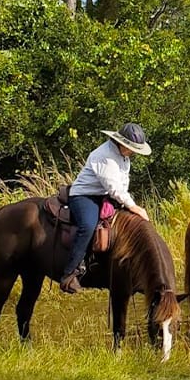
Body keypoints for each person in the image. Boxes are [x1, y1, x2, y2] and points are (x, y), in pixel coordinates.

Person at [61, 123, 152, 294]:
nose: (133, 152)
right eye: (131, 148)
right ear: (121, 143)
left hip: (104, 195)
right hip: (84, 195)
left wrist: (127, 205)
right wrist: (134, 206)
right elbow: (114, 188)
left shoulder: (124, 157)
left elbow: (123, 184)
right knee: (88, 226)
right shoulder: (105, 156)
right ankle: (70, 272)